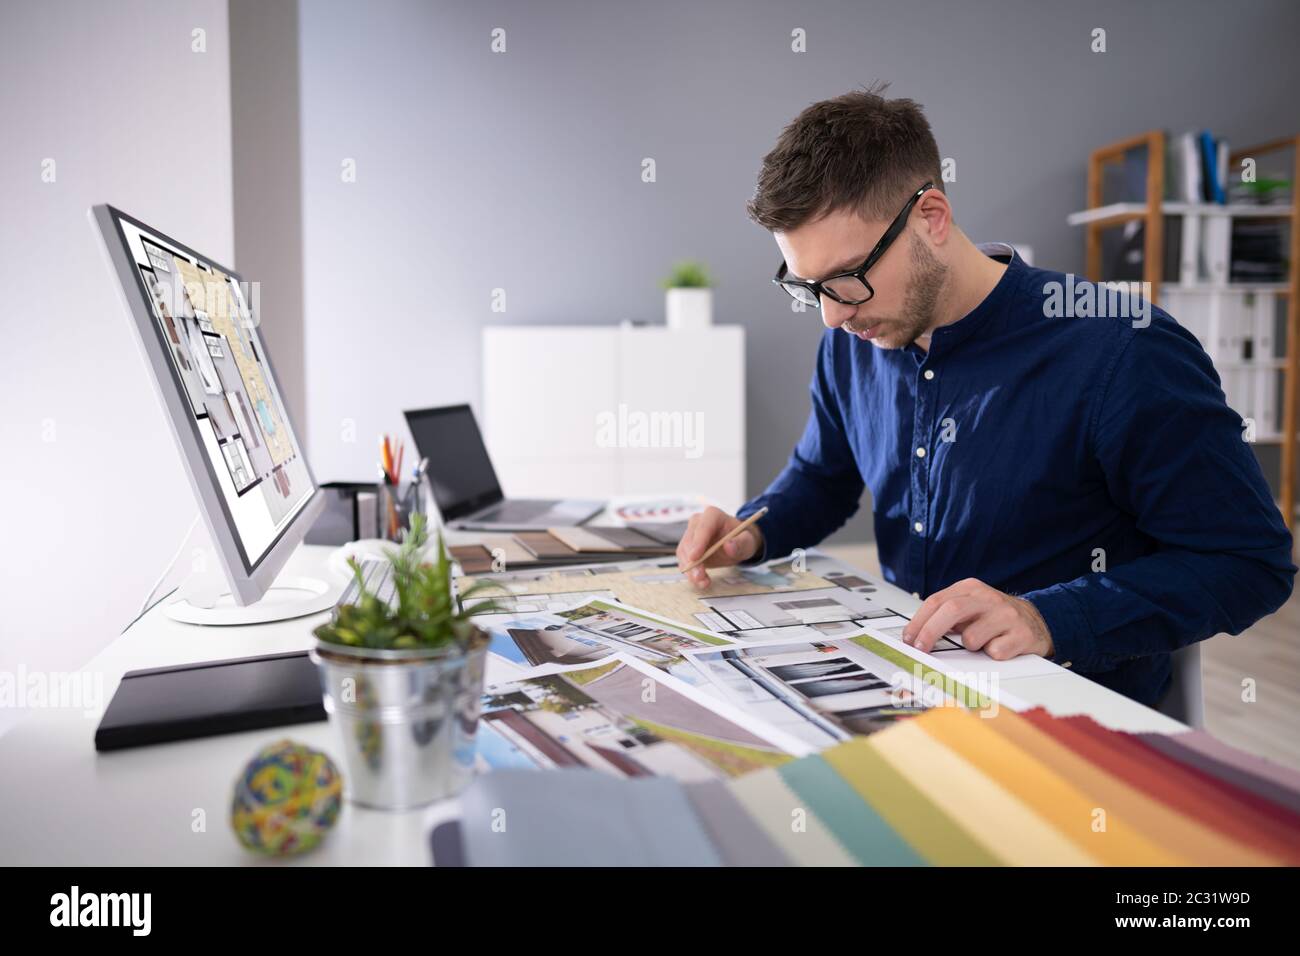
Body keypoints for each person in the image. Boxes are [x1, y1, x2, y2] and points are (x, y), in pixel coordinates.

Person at [675, 85, 1295, 708]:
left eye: (848, 279)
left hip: (1075, 717)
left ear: (932, 217)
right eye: (809, 288)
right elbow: (821, 478)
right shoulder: (850, 343)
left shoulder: (1123, 350)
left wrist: (1047, 618)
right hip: (911, 693)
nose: (832, 317)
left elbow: (1247, 561)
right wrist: (752, 530)